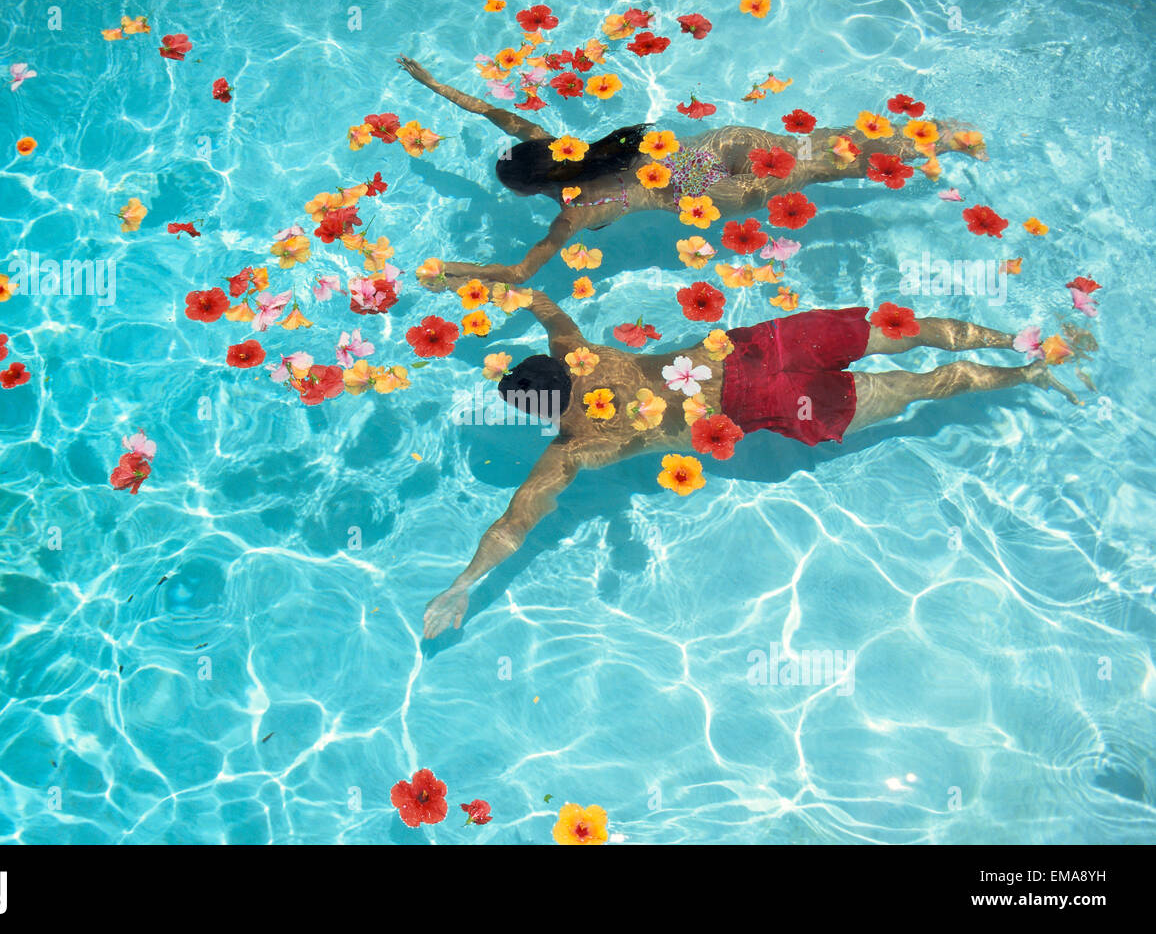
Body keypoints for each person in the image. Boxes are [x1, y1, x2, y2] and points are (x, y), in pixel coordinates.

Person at [420, 290, 1079, 639]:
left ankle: (1029, 373)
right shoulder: (584, 353)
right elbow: (542, 303)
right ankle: (1018, 338)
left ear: (540, 411)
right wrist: (479, 284)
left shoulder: (572, 448)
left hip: (767, 396)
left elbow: (515, 524)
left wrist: (461, 585)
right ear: (563, 367)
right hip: (757, 350)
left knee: (915, 389)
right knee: (895, 332)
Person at [396, 55, 987, 285]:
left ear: (533, 191)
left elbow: (522, 272)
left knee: (815, 173)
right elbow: (494, 112)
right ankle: (937, 132)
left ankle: (943, 147)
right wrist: (428, 81)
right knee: (812, 149)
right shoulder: (560, 145)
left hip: (705, 196)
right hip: (707, 153)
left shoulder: (571, 213)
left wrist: (449, 268)